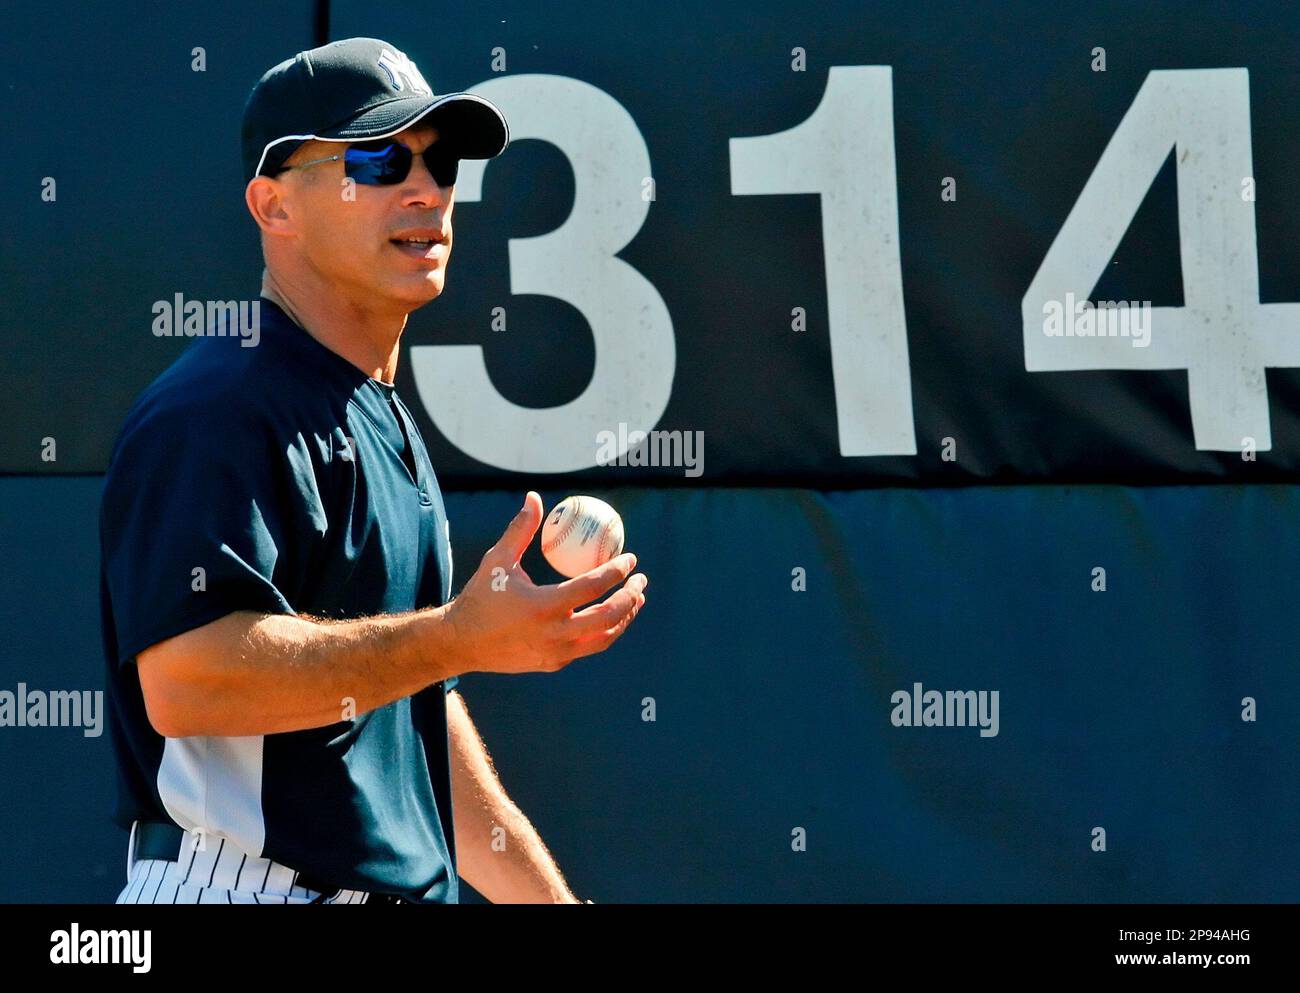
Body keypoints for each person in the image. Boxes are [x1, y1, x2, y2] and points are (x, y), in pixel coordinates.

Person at [99, 37, 647, 905]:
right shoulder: (219, 407)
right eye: (381, 158)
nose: (425, 188)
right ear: (273, 206)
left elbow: (406, 719)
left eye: (442, 161)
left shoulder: (378, 411)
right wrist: (456, 637)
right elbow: (189, 680)